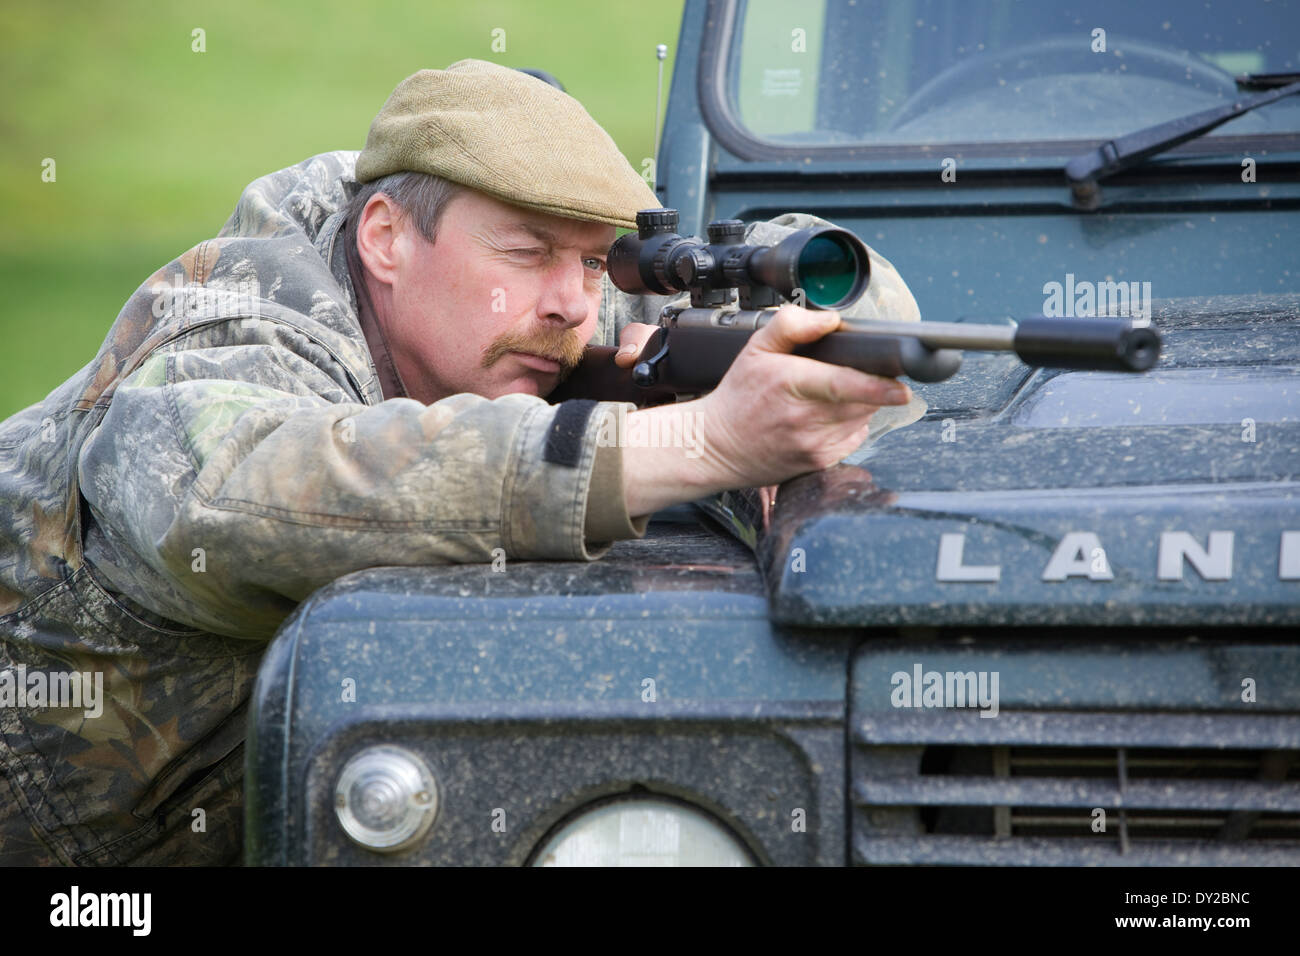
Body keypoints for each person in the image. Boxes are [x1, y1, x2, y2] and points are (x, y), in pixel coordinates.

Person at [0, 59, 920, 865]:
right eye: (527, 253)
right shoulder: (240, 318)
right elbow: (227, 498)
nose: (568, 305)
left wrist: (757, 346)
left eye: (597, 264)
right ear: (388, 239)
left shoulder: (525, 312)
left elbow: (867, 306)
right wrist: (698, 442)